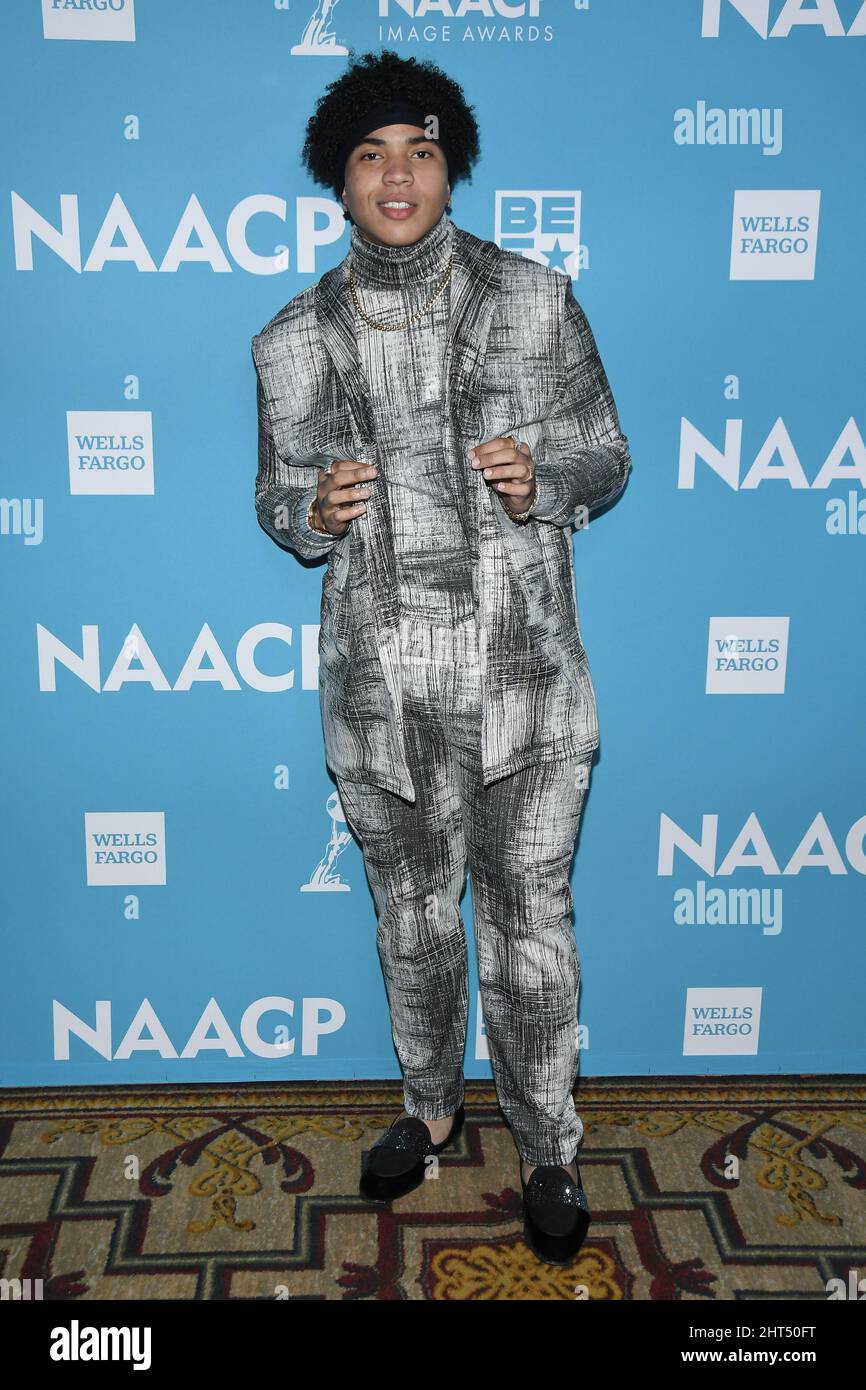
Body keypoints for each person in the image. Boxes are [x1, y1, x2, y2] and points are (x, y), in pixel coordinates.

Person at [251, 49, 631, 1265]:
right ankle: (425, 1109)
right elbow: (276, 498)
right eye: (370, 155)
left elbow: (606, 454)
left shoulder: (537, 297)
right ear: (339, 180)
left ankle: (549, 1146)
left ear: (448, 162)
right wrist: (311, 509)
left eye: (417, 149)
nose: (396, 174)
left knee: (531, 925)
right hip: (381, 695)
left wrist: (549, 476)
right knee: (411, 922)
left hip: (524, 687)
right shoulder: (289, 339)